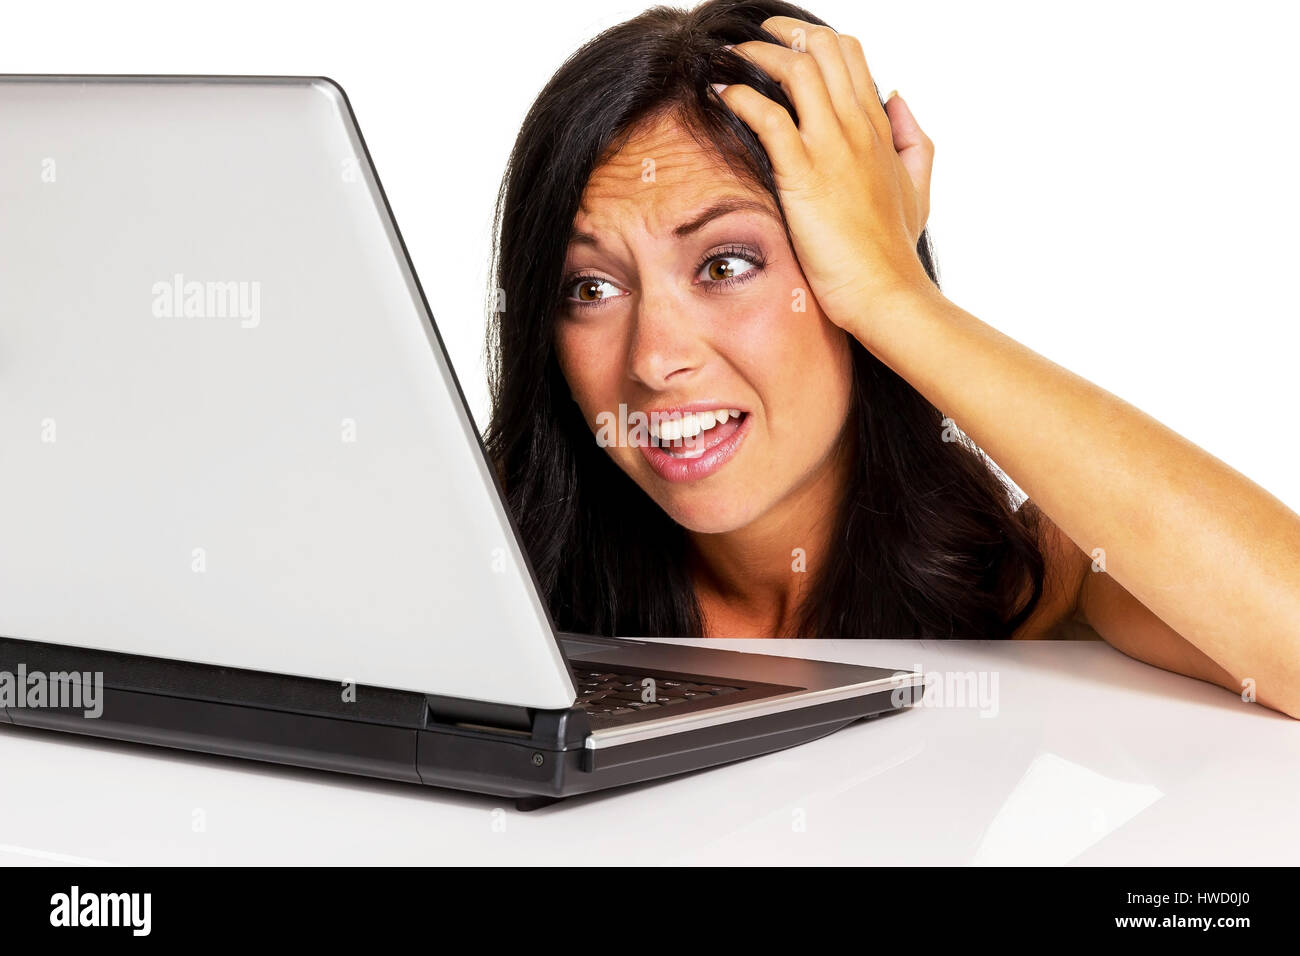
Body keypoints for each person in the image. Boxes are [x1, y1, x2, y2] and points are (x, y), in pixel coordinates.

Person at [484, 0, 1300, 717]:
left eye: (725, 265)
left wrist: (896, 298)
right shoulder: (493, 589)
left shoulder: (1023, 576)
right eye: (589, 288)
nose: (655, 359)